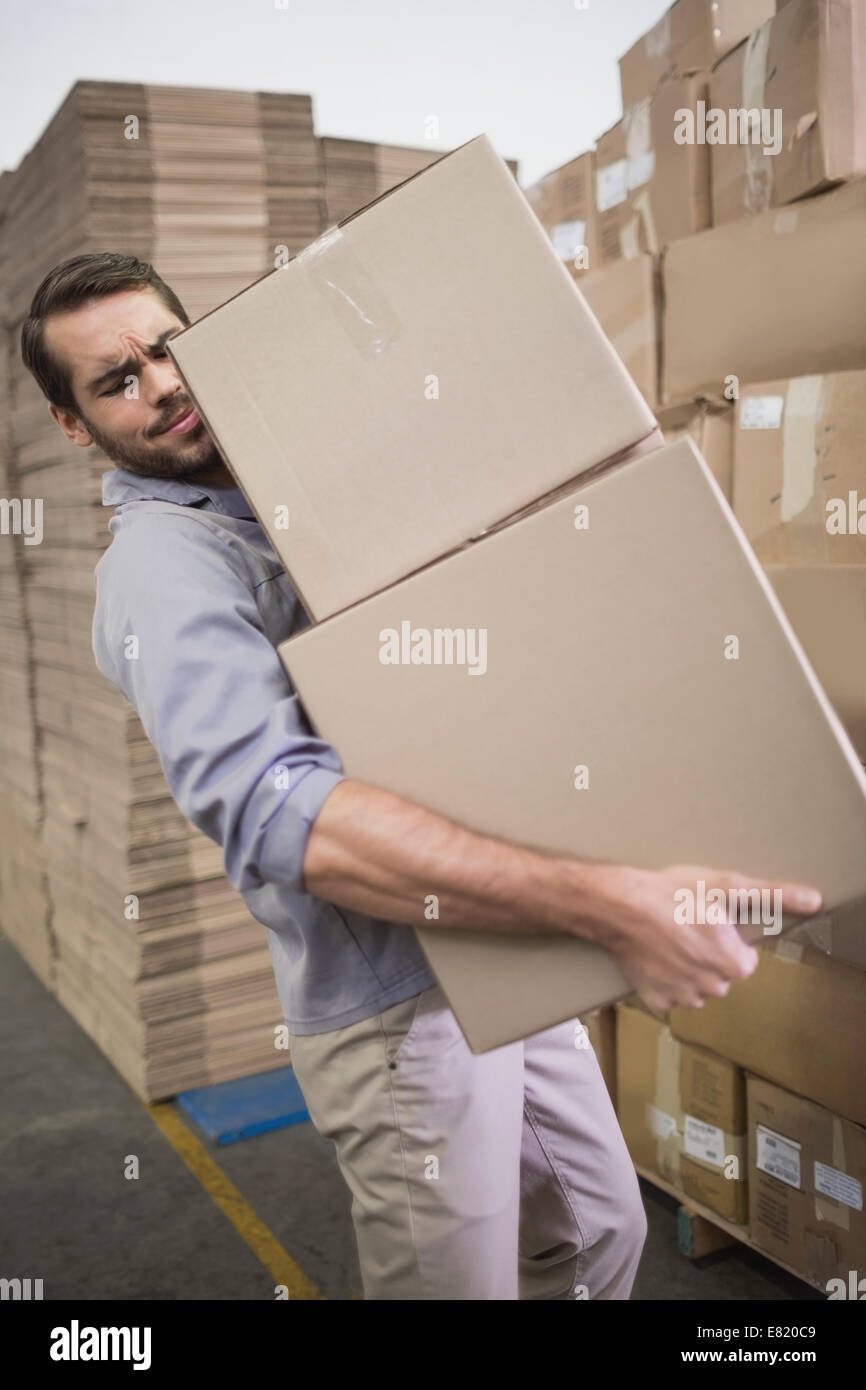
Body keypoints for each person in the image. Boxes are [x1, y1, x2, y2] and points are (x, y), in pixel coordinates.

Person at [21, 251, 823, 1301]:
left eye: (166, 348)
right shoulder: (166, 571)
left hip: (496, 948)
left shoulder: (297, 496)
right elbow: (283, 815)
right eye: (115, 380)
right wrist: (610, 903)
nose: (162, 384)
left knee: (591, 1237)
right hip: (395, 1011)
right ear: (75, 426)